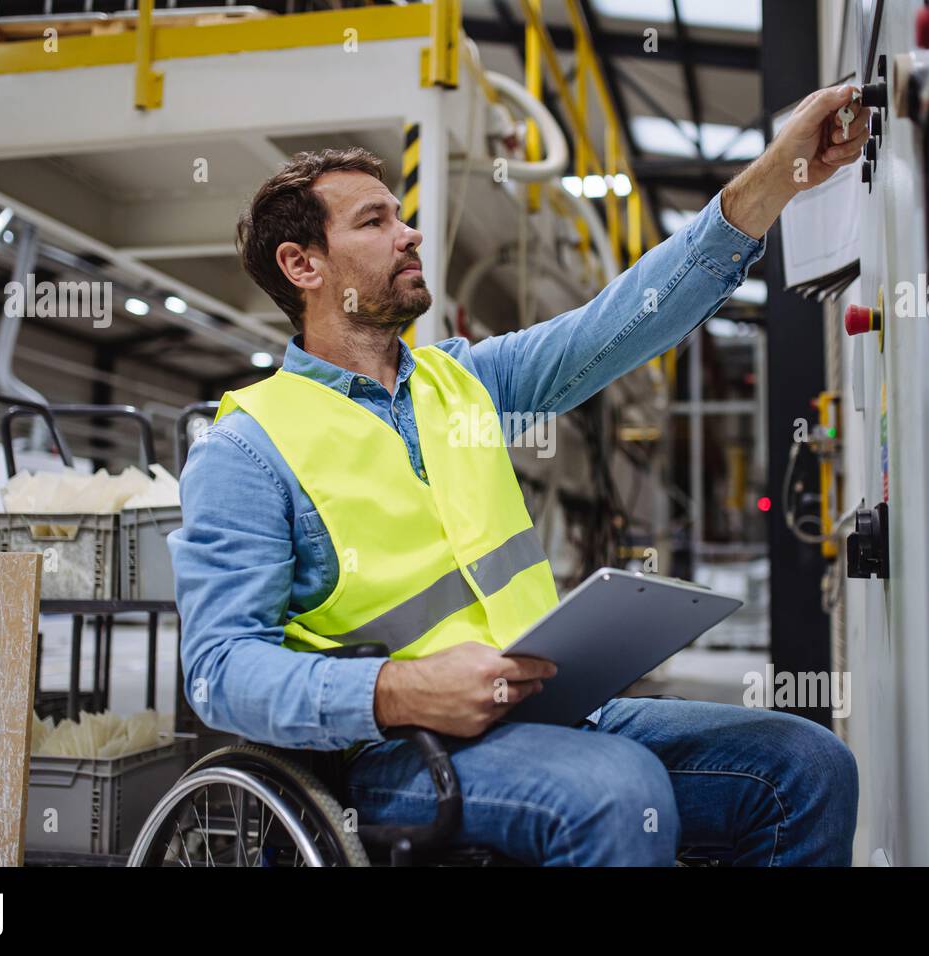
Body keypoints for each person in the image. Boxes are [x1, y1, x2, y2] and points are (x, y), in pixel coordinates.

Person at [170, 83, 869, 866]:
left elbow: (623, 320)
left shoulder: (465, 380)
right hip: (394, 754)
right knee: (615, 790)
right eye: (376, 221)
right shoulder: (247, 447)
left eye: (401, 216)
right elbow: (221, 669)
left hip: (549, 714)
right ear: (301, 264)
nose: (410, 235)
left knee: (806, 765)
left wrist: (778, 175)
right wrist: (398, 691)